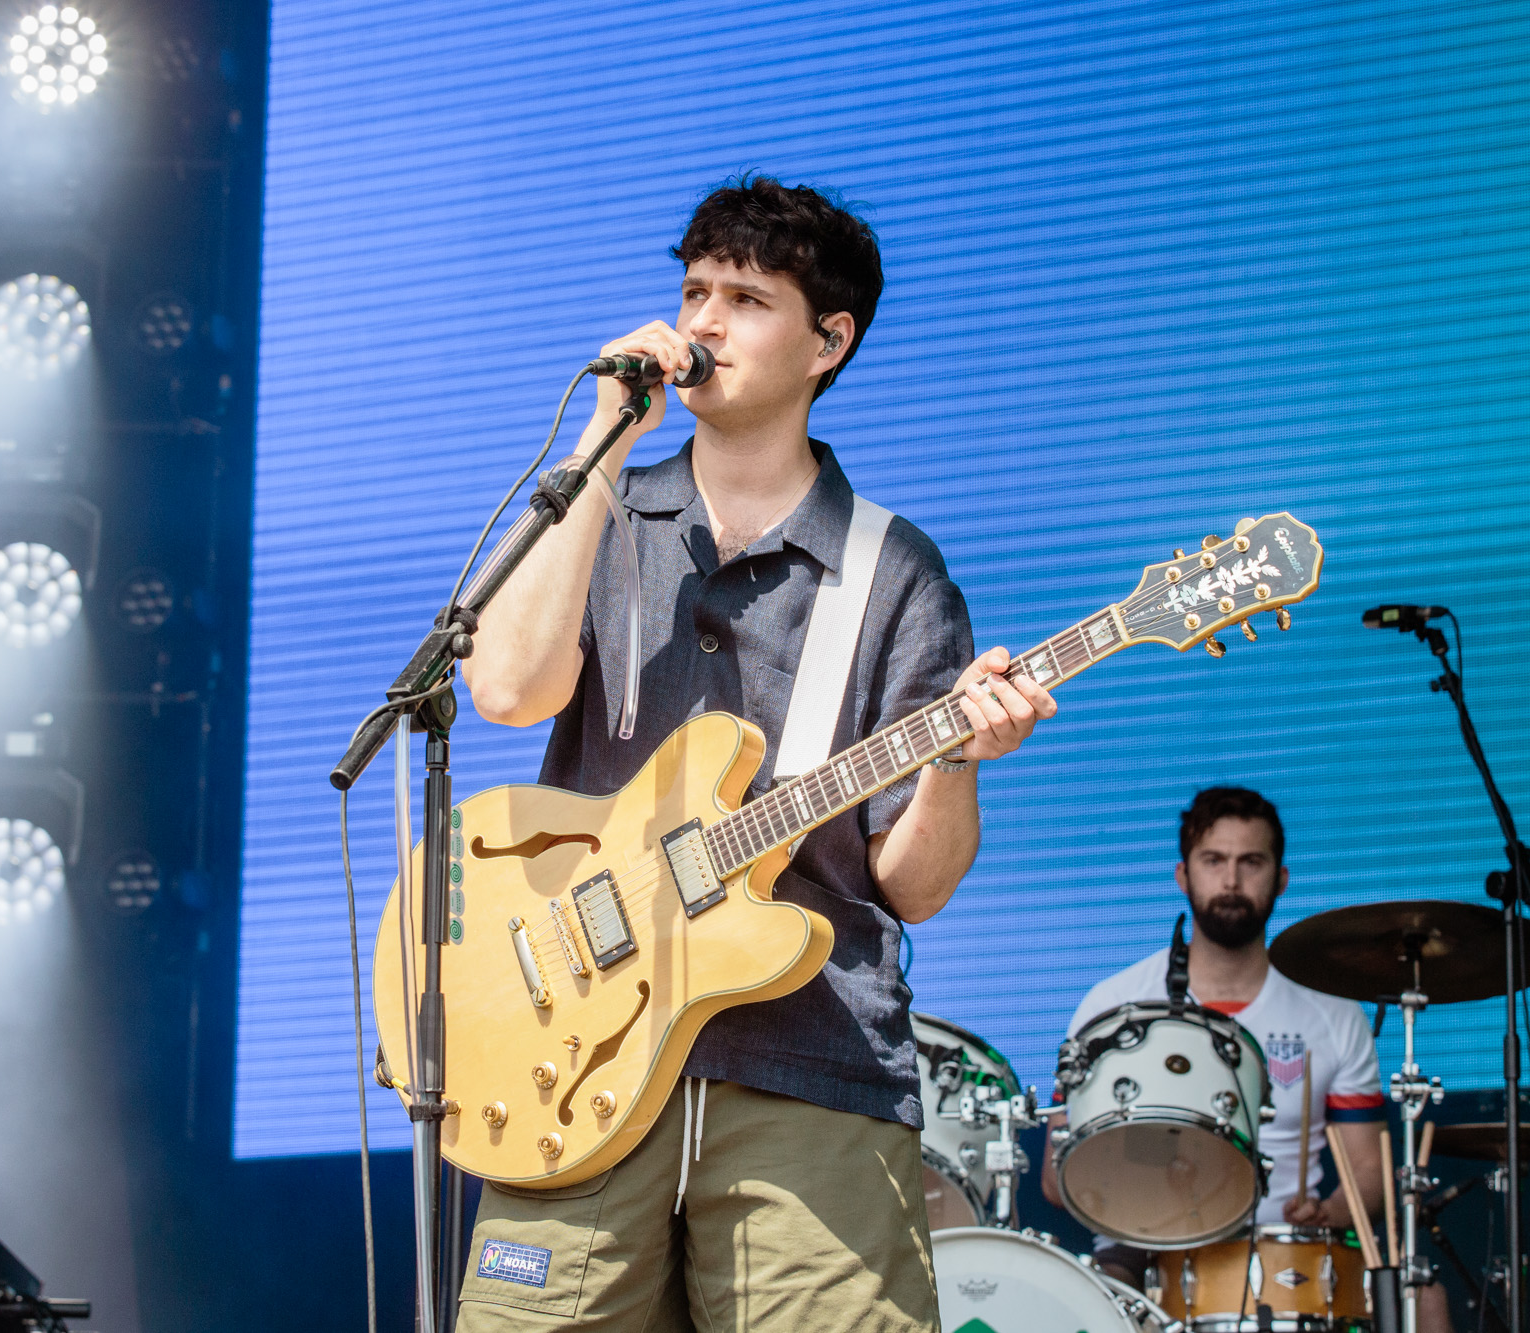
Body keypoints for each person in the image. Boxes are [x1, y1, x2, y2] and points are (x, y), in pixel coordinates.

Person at [457, 175, 1056, 1332]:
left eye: (745, 299)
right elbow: (507, 689)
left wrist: (957, 757)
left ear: (828, 341)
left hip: (809, 1066)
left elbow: (911, 886)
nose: (703, 323)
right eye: (694, 291)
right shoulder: (603, 514)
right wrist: (599, 443)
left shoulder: (894, 570)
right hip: (574, 1058)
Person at [1038, 786, 1464, 1333]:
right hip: (1141, 1257)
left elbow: (1368, 1168)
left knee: (1424, 1300)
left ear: (1281, 878)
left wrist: (1330, 1213)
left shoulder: (1332, 1010)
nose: (1232, 880)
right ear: (1183, 875)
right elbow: (1056, 1178)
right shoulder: (1113, 1006)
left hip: (1288, 1255)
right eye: (1213, 860)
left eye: (1251, 862)